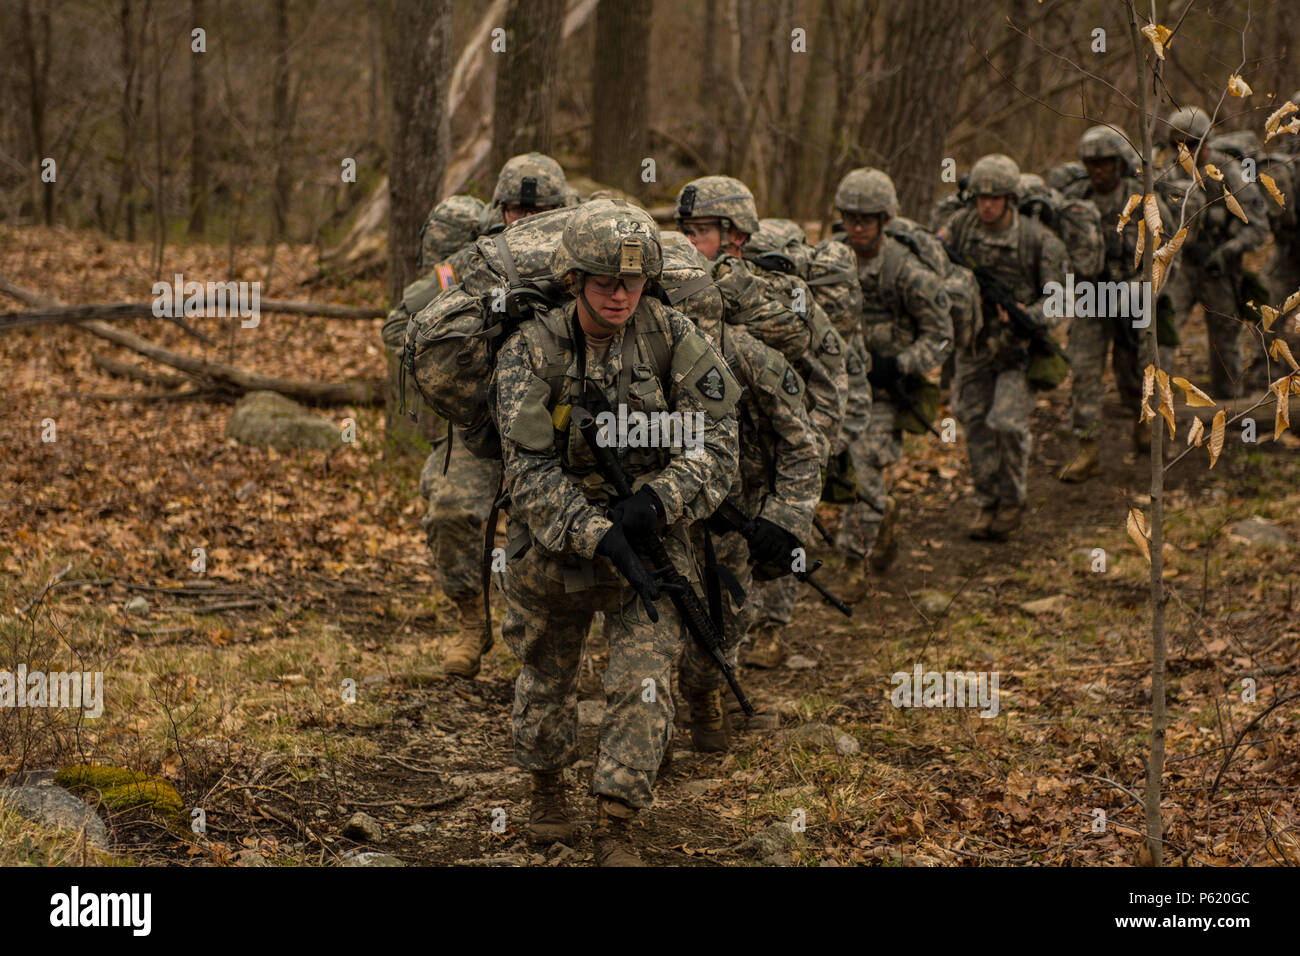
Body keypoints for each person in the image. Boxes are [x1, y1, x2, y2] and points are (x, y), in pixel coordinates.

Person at [492, 200, 740, 865]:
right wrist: (597, 533)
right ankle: (547, 787)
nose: (620, 296)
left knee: (644, 676)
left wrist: (660, 499)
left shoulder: (672, 335)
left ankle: (617, 818)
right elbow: (527, 472)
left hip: (652, 532)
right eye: (605, 282)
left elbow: (719, 440)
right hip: (557, 538)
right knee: (547, 671)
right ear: (574, 279)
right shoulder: (531, 350)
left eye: (631, 282)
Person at [658, 232, 822, 750]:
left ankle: (705, 688)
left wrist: (784, 520)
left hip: (732, 509)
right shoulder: (629, 355)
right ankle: (648, 722)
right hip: (656, 510)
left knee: (725, 612)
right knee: (652, 615)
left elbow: (802, 444)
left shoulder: (748, 355)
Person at [420, 153, 569, 678]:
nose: (527, 221)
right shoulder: (474, 261)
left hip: (559, 420)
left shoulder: (583, 258)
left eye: (541, 211)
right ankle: (471, 621)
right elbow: (408, 326)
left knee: (559, 525)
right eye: (516, 211)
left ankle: (554, 645)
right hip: (483, 421)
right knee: (450, 511)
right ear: (499, 211)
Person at [939, 154, 1069, 540]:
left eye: (995, 198)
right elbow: (937, 270)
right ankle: (987, 501)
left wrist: (1028, 316)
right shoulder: (960, 228)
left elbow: (1060, 299)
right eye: (981, 197)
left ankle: (1012, 501)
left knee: (1007, 423)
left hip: (1019, 349)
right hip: (974, 345)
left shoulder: (1037, 241)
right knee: (975, 422)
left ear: (1011, 199)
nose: (987, 206)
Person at [833, 167, 951, 580]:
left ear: (884, 220)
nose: (857, 227)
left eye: (866, 219)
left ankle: (853, 564)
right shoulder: (829, 261)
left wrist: (898, 364)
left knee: (864, 464)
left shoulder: (907, 271)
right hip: (833, 388)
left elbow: (941, 338)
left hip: (884, 393)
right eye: (850, 218)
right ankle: (881, 514)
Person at [1058, 125, 1173, 479]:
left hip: (1135, 297)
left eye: (1105, 162)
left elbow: (1168, 251)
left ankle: (1148, 431)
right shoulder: (1073, 200)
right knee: (1084, 373)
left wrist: (1144, 290)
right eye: (1091, 163)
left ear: (1120, 163)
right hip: (1090, 298)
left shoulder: (1144, 200)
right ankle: (1088, 448)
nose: (1097, 170)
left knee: (1139, 370)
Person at [1159, 106, 1269, 399]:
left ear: (1206, 141)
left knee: (1225, 339)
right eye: (1177, 145)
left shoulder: (1229, 173)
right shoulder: (1167, 174)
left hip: (1219, 269)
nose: (1185, 152)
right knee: (1163, 329)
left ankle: (1230, 406)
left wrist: (1230, 249)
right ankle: (1157, 401)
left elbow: (1258, 227)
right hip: (1182, 267)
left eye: (1192, 144)